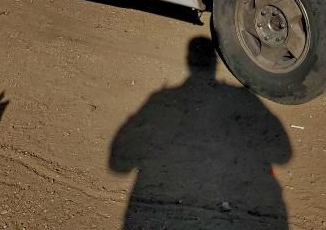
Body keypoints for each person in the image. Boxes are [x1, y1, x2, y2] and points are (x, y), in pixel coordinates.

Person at [109, 37, 291, 229]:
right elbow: (283, 154)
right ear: (216, 63)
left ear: (188, 61)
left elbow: (118, 164)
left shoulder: (161, 102)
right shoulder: (242, 99)